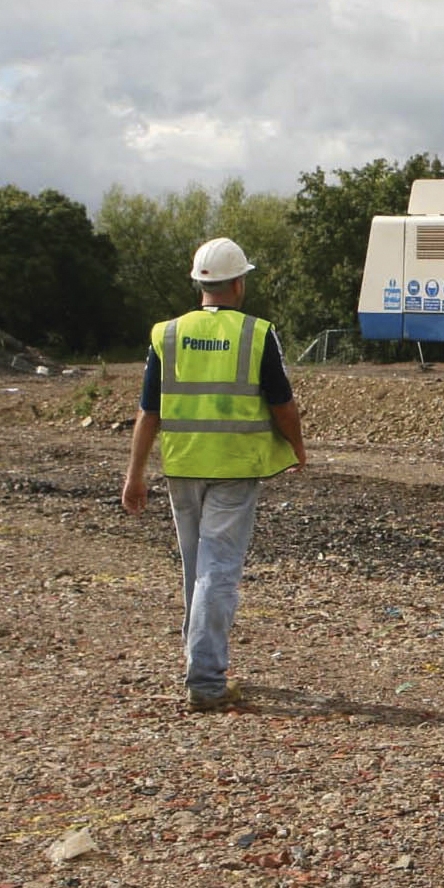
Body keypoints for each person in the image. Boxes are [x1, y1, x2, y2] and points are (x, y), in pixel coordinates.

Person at [120, 237, 307, 711]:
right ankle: (205, 680)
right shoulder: (256, 334)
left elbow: (149, 412)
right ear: (238, 283)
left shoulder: (168, 333)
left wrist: (135, 474)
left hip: (182, 465)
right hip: (235, 467)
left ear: (199, 284)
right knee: (218, 570)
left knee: (197, 570)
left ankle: (198, 662)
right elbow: (282, 403)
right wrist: (298, 445)